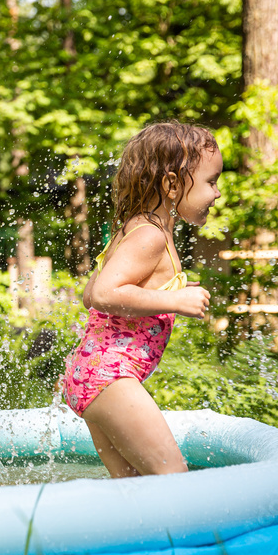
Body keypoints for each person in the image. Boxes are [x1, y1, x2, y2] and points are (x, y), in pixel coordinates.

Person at [62, 121, 223, 478]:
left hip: (90, 374)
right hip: (110, 376)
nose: (217, 193)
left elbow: (90, 296)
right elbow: (103, 294)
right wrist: (175, 300)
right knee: (172, 475)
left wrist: (164, 292)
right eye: (211, 181)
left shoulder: (134, 228)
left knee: (133, 486)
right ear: (171, 184)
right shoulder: (150, 235)